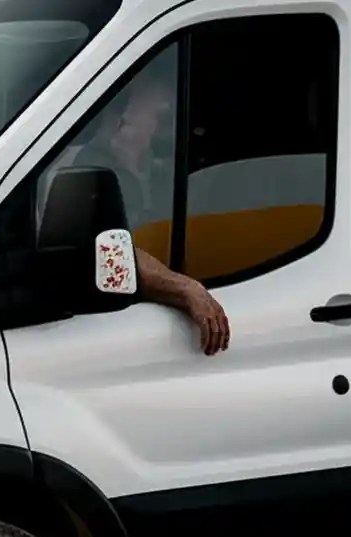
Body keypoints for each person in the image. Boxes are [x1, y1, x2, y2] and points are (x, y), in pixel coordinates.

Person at [71, 70, 231, 356]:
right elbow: (114, 251)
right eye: (160, 116)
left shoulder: (160, 172)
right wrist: (184, 288)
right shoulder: (92, 175)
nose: (167, 127)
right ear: (121, 121)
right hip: (119, 336)